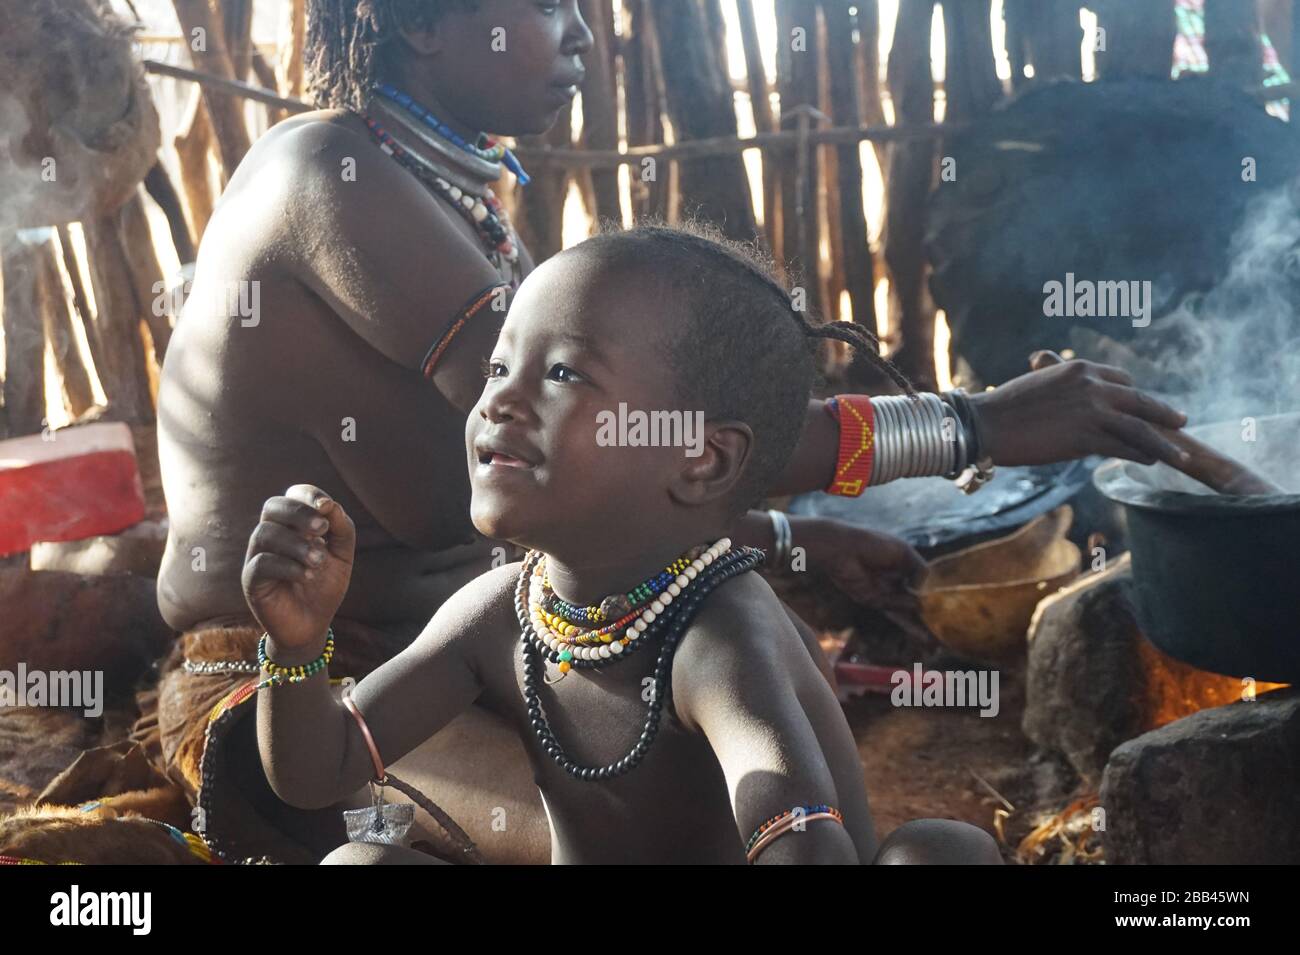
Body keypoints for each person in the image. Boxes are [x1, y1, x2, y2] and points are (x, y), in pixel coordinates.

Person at [136, 0, 1192, 865]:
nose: (586, 36)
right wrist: (967, 425)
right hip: (293, 681)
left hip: (522, 654)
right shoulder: (335, 176)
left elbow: (615, 470)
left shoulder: (450, 193)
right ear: (420, 23)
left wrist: (785, 542)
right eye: (549, 7)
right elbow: (645, 433)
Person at [243, 223, 1006, 863]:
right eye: (500, 366)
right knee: (360, 860)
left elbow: (799, 842)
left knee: (942, 852)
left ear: (700, 458)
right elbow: (321, 770)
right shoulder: (499, 614)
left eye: (564, 372)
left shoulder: (718, 633)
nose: (500, 399)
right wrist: (297, 641)